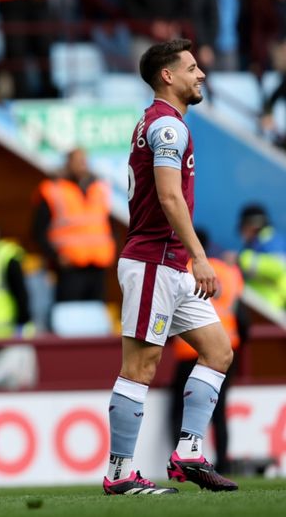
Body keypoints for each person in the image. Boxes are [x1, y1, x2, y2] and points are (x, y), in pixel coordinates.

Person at [103, 38, 237, 496]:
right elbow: (168, 195)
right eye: (192, 67)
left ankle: (190, 452)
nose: (201, 74)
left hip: (169, 262)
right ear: (168, 75)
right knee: (140, 367)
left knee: (218, 351)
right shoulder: (167, 128)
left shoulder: (162, 123)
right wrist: (200, 256)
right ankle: (120, 474)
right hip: (154, 260)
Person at [169, 230, 246, 476]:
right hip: (225, 347)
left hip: (189, 349)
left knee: (180, 409)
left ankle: (180, 462)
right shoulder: (229, 273)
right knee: (219, 411)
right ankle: (223, 464)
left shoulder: (181, 271)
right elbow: (242, 315)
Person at [33, 148, 115, 305]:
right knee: (69, 316)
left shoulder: (99, 188)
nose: (82, 166)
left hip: (97, 266)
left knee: (95, 318)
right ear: (68, 163)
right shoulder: (53, 190)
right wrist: (56, 257)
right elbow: (38, 232)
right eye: (78, 161)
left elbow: (108, 225)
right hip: (69, 268)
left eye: (84, 161)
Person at [236, 204, 286, 311]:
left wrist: (243, 259)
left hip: (272, 308)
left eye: (242, 227)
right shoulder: (257, 242)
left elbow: (279, 267)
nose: (241, 233)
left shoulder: (271, 240)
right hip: (261, 306)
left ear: (252, 226)